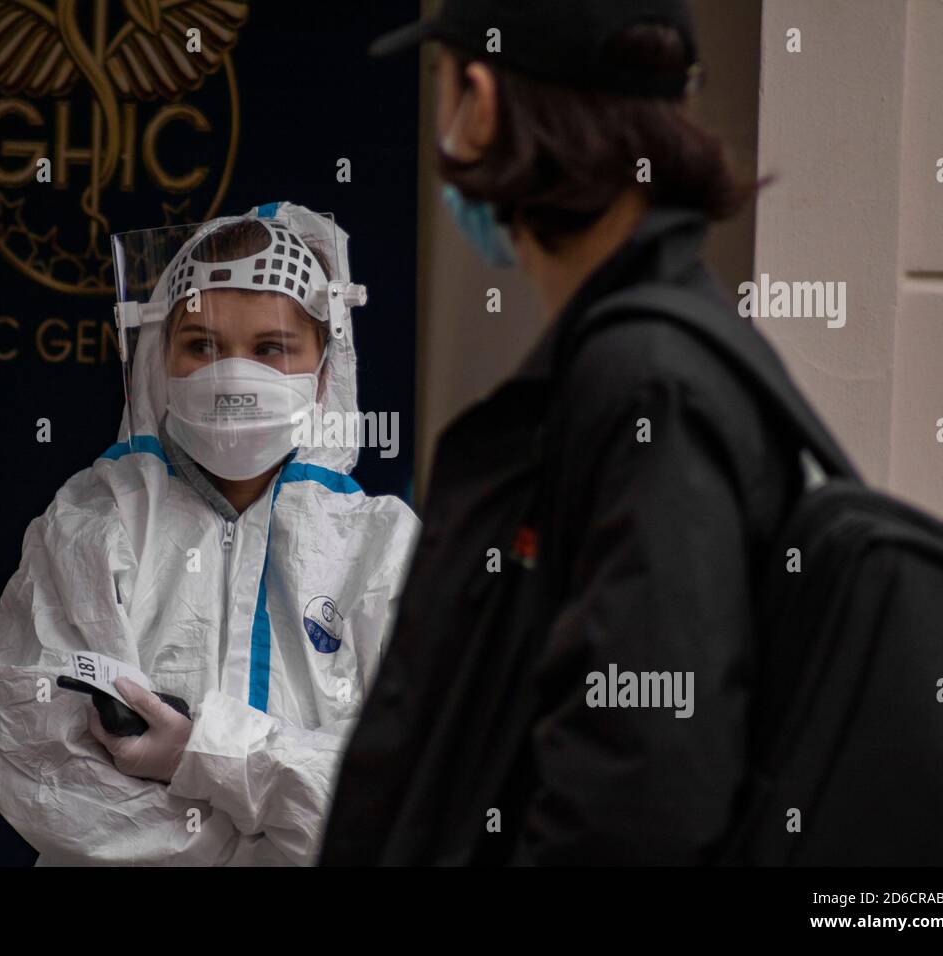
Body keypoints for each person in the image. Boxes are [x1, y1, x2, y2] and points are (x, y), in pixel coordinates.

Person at [320, 1, 806, 864]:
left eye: (442, 85)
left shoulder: (647, 383)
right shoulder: (635, 359)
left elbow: (642, 788)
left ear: (480, 100)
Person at [0, 202, 418, 865]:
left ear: (324, 372)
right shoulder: (97, 521)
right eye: (203, 345)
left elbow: (403, 792)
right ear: (162, 359)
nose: (235, 372)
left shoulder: (382, 549)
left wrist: (204, 751)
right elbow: (38, 764)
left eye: (272, 349)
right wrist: (264, 833)